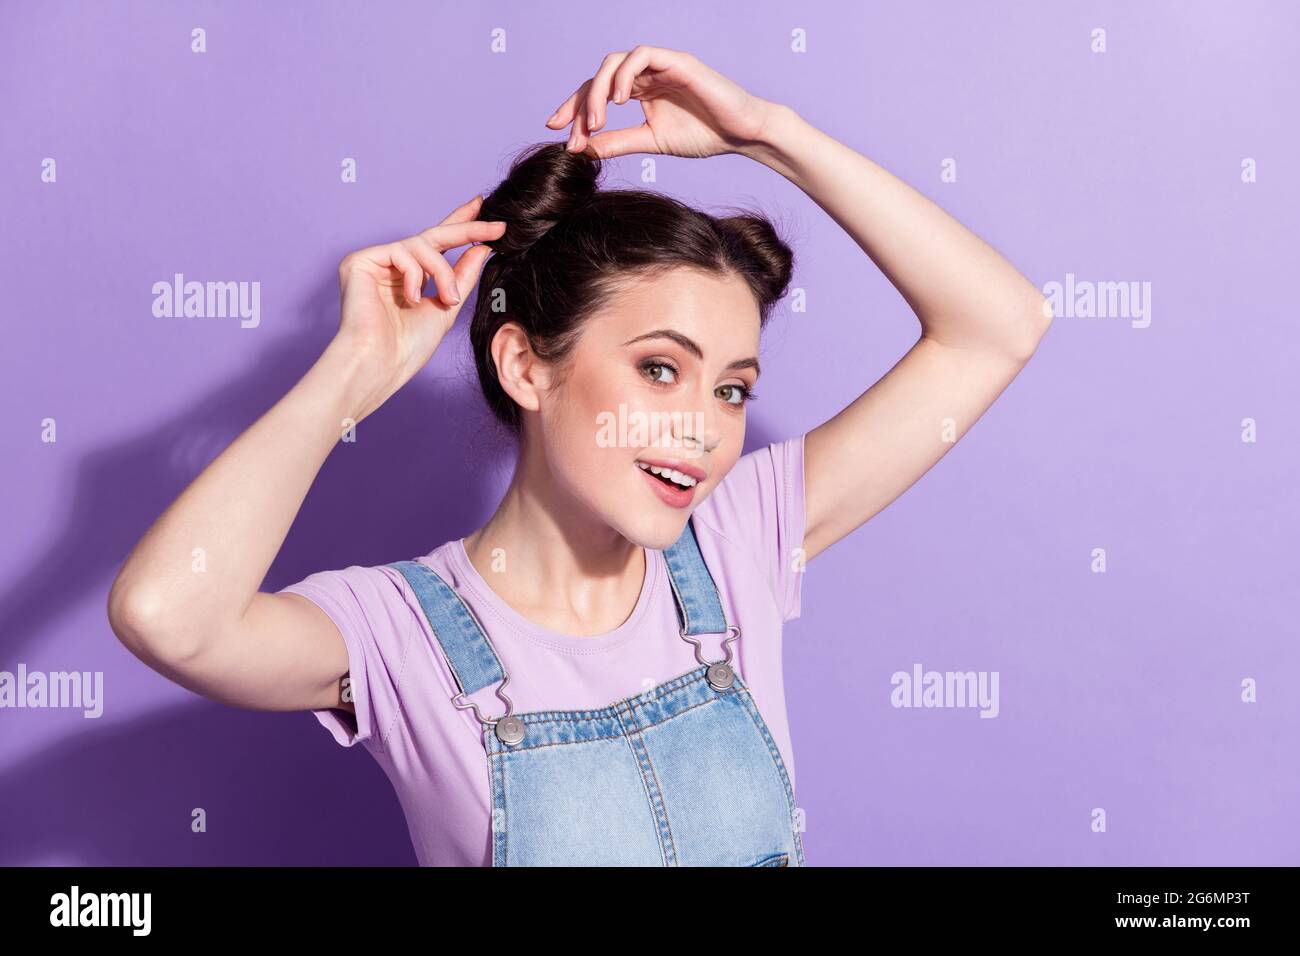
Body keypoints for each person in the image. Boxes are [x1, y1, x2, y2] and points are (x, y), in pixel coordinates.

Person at [107, 45, 1051, 866]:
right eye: (658, 369)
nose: (704, 429)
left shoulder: (737, 545)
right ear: (525, 364)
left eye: (730, 389)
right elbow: (166, 617)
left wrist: (767, 135)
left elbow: (997, 326)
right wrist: (352, 373)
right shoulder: (400, 633)